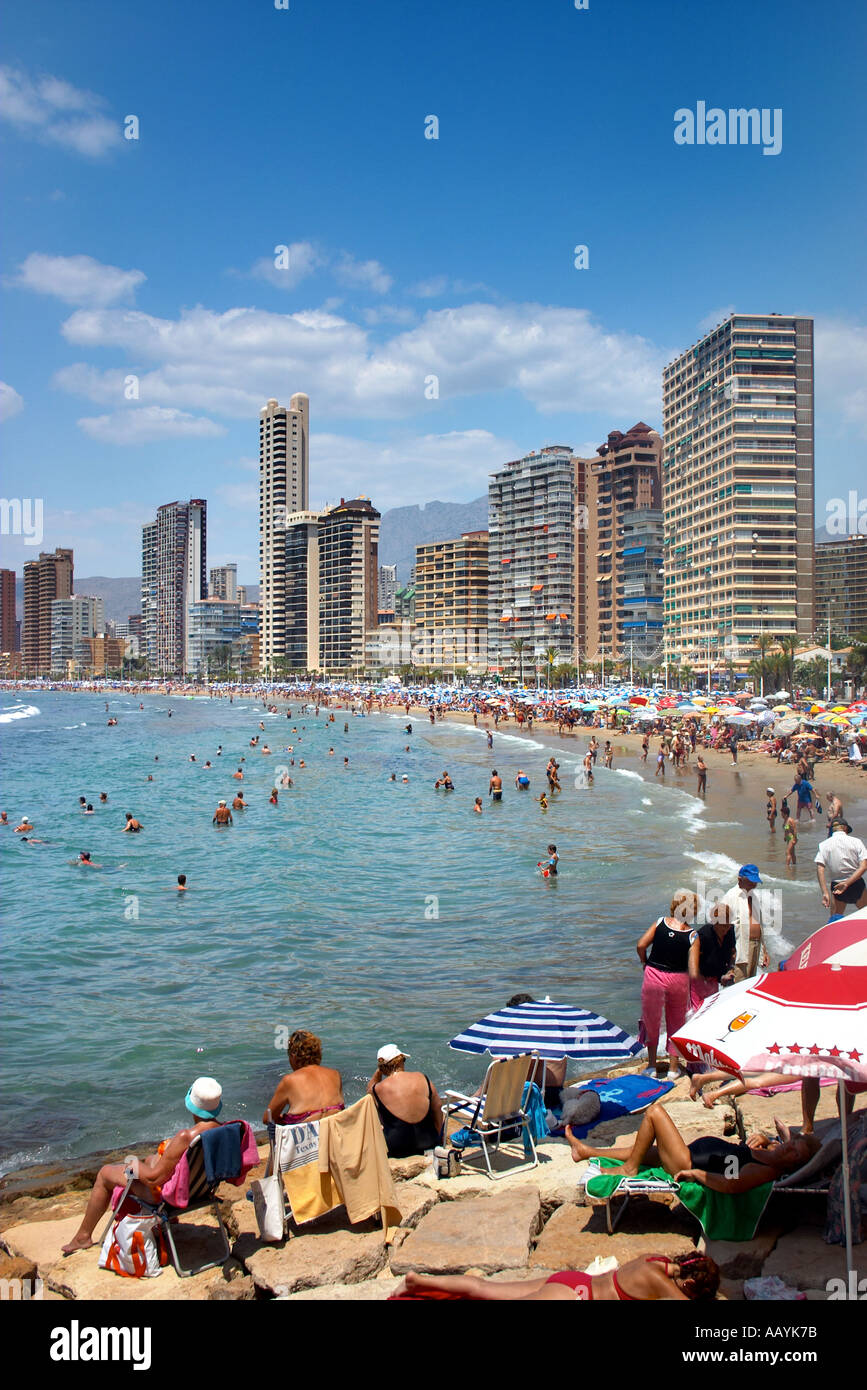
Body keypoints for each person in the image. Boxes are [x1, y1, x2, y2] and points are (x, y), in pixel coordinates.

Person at [60, 1078, 226, 1255]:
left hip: (168, 1197)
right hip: (200, 1192)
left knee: (105, 1173)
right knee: (150, 1159)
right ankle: (166, 1221)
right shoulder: (224, 1130)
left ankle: (83, 1236)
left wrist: (133, 1163)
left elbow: (154, 1179)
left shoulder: (186, 1136)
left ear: (191, 1104)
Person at [565, 1107, 820, 1194]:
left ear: (794, 1165)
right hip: (693, 1152)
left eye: (795, 1154)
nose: (789, 1150)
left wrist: (698, 1175)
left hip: (687, 1164)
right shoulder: (772, 1150)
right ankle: (586, 1151)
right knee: (642, 1149)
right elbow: (783, 1132)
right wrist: (764, 1137)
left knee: (654, 1113)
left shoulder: (765, 1170)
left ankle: (629, 1169)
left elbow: (731, 1184)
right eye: (792, 1144)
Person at [392, 1251, 720, 1301]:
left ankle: (418, 1281)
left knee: (485, 1288)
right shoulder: (664, 1286)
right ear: (688, 1284)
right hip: (573, 1298)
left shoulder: (656, 1260)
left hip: (573, 1281)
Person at [637, 890, 699, 1078]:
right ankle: (673, 1069)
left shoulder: (659, 923)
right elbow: (694, 970)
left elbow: (641, 945)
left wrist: (644, 962)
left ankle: (651, 1066)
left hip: (654, 974)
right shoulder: (693, 936)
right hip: (678, 979)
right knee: (676, 1022)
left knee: (652, 1020)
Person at [367, 1045, 443, 1158]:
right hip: (428, 1141)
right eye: (404, 1060)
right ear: (399, 1061)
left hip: (396, 1147)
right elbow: (438, 1107)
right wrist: (439, 1135)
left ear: (382, 1068)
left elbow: (369, 1090)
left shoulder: (377, 1089)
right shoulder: (422, 1077)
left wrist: (379, 1071)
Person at [264, 1029, 344, 1124]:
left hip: (310, 1135)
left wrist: (286, 1119)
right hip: (334, 1131)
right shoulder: (335, 1074)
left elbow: (267, 1118)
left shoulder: (289, 1080)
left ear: (293, 1056)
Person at [720, 865, 768, 981]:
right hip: (739, 947)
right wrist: (727, 954)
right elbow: (720, 926)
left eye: (755, 881)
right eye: (751, 881)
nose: (754, 884)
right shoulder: (730, 897)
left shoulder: (753, 896)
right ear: (740, 879)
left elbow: (759, 924)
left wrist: (764, 951)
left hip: (755, 946)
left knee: (749, 984)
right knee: (737, 984)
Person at [687, 902, 736, 1011]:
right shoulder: (703, 935)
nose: (727, 929)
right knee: (696, 1011)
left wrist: (730, 969)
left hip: (715, 979)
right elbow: (690, 958)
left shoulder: (730, 931)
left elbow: (733, 952)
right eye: (723, 926)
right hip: (699, 979)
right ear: (715, 923)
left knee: (710, 1008)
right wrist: (699, 977)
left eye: (728, 925)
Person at [814, 819, 867, 917]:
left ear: (832, 830)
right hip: (856, 883)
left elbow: (820, 869)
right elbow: (864, 867)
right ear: (845, 828)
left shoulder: (824, 845)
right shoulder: (856, 842)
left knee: (835, 920)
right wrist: (847, 883)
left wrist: (825, 893)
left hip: (837, 887)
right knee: (865, 916)